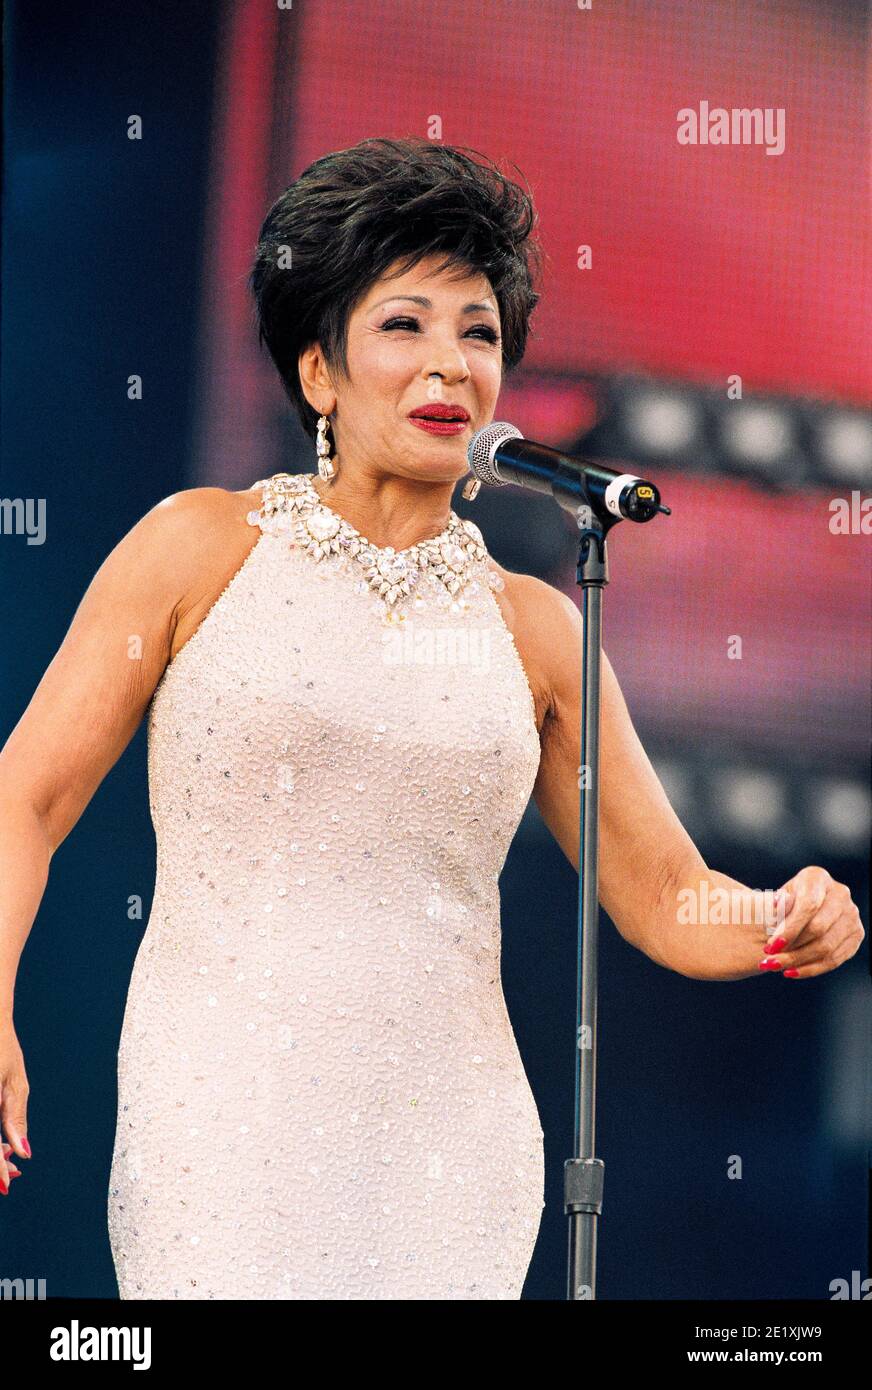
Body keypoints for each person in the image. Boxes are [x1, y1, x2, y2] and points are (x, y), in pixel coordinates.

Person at [0, 137, 863, 1300]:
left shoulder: (540, 629)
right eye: (403, 325)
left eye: (478, 333)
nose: (448, 364)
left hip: (453, 1144)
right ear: (318, 371)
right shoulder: (196, 547)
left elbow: (662, 895)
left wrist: (780, 914)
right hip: (223, 1114)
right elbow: (27, 795)